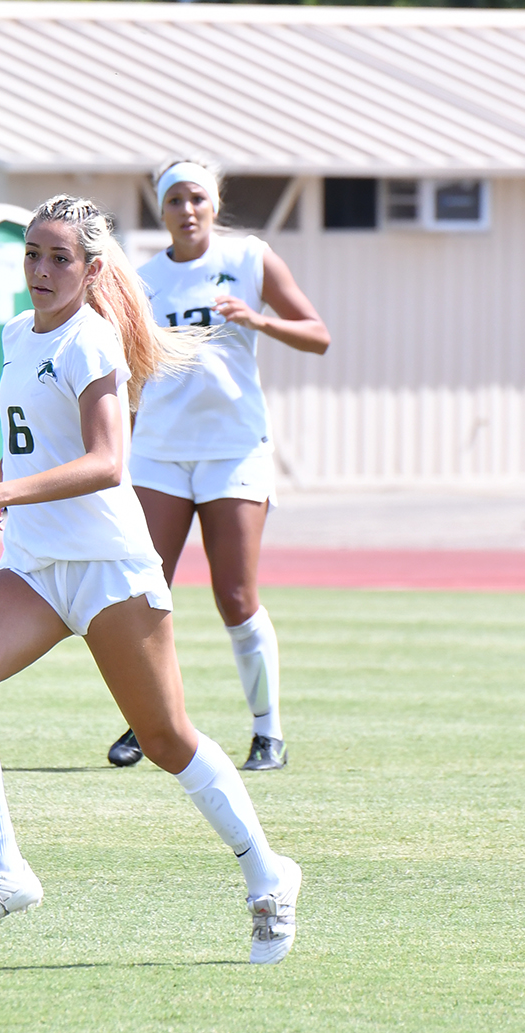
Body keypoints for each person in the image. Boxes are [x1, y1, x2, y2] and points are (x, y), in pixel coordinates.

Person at [0, 195, 301, 964]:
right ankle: (5, 872)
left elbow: (107, 462)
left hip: (107, 569)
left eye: (59, 258)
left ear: (92, 269)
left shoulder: (92, 339)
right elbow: (32, 434)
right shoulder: (16, 333)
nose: (41, 269)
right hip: (34, 566)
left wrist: (0, 493)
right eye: (32, 253)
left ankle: (268, 873)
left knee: (165, 738)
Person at [106, 161, 331, 772]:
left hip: (233, 449)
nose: (187, 210)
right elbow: (128, 376)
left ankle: (268, 734)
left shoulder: (250, 259)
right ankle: (150, 721)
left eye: (196, 198)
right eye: (174, 200)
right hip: (160, 453)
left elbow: (318, 335)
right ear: (161, 210)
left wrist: (258, 319)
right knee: (145, 590)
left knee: (234, 595)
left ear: (214, 203)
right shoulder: (143, 281)